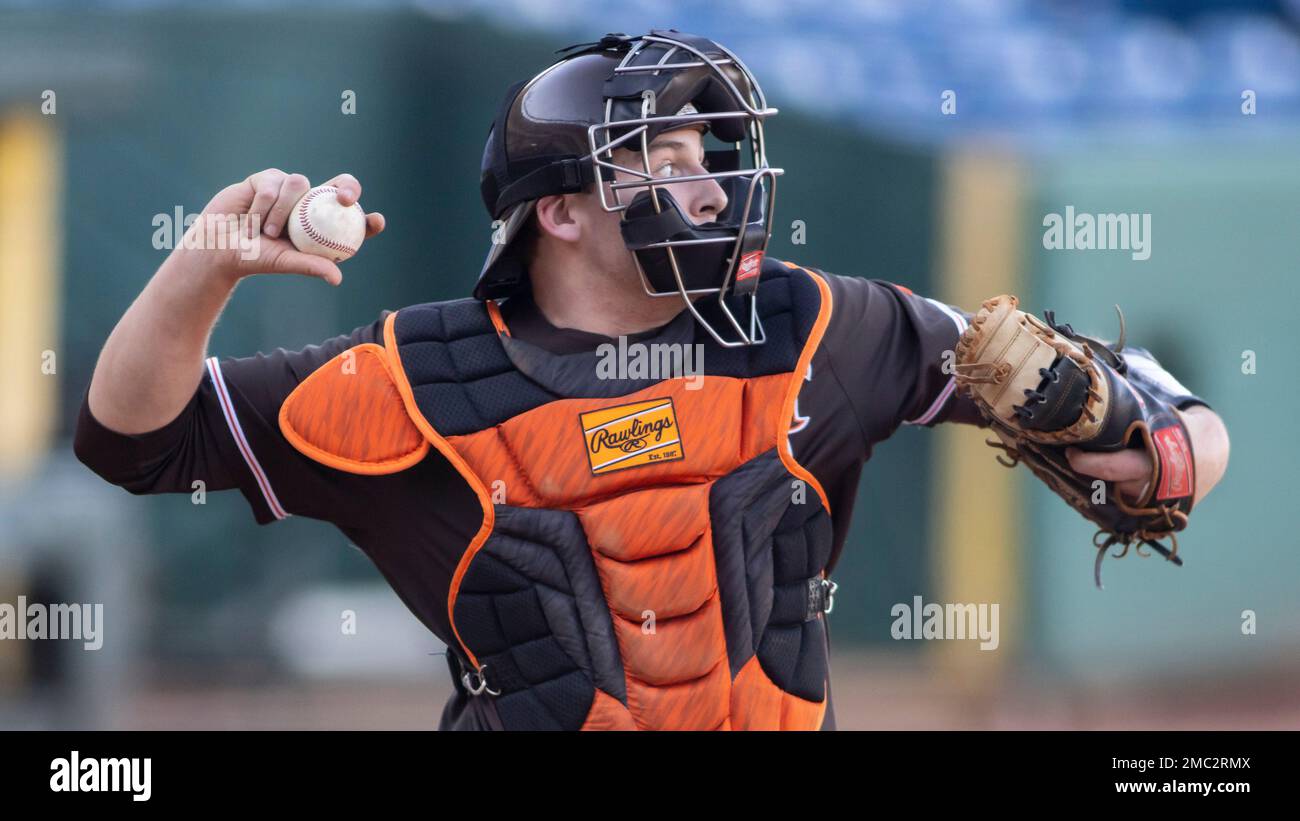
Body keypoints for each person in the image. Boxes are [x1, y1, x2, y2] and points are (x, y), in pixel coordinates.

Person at [75, 30, 1229, 730]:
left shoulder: (817, 325)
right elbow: (133, 440)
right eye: (661, 162)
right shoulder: (416, 377)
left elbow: (1151, 404)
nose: (713, 188)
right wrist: (204, 262)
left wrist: (1168, 440)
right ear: (561, 209)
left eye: (709, 157)